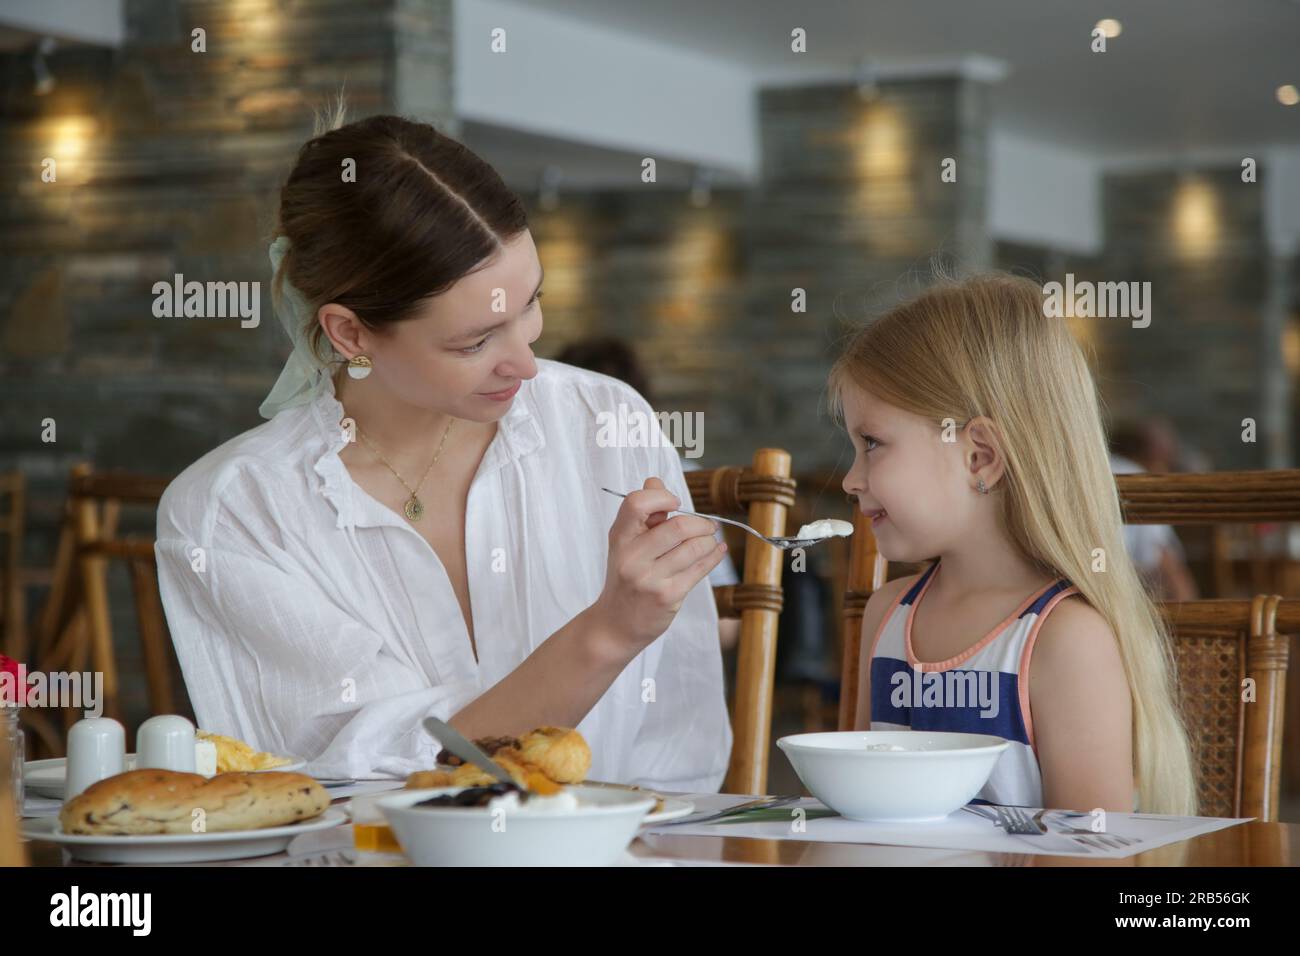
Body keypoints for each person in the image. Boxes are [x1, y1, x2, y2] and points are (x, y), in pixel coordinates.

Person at [154, 109, 733, 790]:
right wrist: (609, 632)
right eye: (476, 341)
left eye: (531, 305)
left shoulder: (606, 420)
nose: (527, 364)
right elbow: (357, 785)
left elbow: (680, 751)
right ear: (350, 333)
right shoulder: (236, 512)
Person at [837, 273, 1197, 815]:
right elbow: (861, 805)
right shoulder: (886, 616)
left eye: (872, 445)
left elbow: (1089, 850)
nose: (850, 479)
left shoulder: (1067, 639)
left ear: (979, 456)